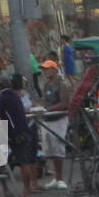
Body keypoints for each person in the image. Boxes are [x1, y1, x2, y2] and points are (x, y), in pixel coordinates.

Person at [0, 75, 38, 197]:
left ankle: (6, 188)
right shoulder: (16, 96)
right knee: (24, 162)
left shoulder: (2, 96)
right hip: (24, 130)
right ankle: (27, 190)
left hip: (12, 133)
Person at [36, 60, 72, 190]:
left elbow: (64, 103)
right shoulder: (46, 85)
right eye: (44, 69)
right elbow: (45, 101)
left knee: (58, 149)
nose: (45, 71)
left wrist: (48, 109)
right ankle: (55, 177)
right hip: (47, 120)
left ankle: (61, 178)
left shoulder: (62, 84)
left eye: (48, 69)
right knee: (49, 149)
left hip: (58, 119)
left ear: (55, 70)